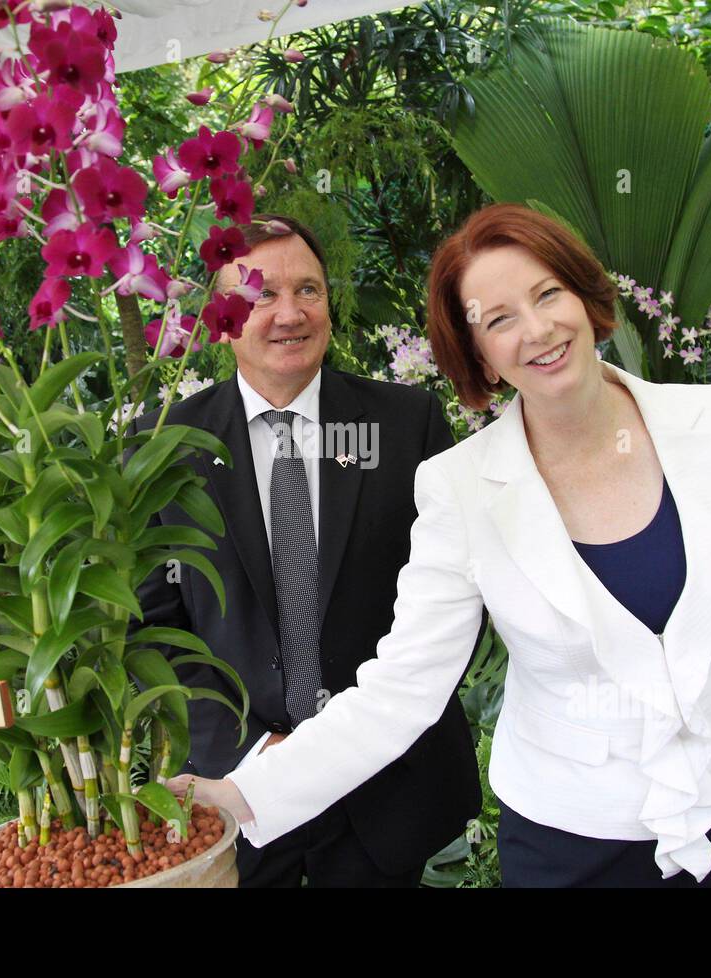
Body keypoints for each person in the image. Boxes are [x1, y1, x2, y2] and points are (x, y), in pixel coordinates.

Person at [169, 203, 711, 887]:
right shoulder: (461, 488)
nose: (538, 329)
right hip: (572, 842)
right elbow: (404, 688)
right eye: (498, 320)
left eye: (548, 294)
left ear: (584, 295)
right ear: (479, 355)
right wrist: (247, 792)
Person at [130, 214, 482, 887]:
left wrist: (347, 746)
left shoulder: (407, 425)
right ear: (221, 316)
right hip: (237, 783)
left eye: (309, 291)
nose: (289, 313)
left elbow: (458, 604)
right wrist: (259, 748)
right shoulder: (163, 446)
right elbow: (151, 628)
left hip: (387, 794)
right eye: (261, 294)